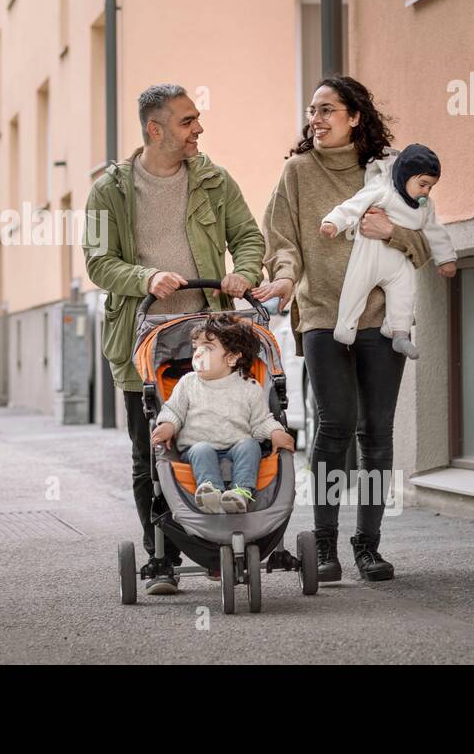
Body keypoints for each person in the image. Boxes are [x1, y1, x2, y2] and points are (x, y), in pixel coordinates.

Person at [253, 76, 445, 582]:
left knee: (376, 434)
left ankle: (369, 545)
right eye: (312, 111)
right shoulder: (297, 172)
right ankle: (324, 545)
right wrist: (286, 277)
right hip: (321, 315)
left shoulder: (391, 169)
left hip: (383, 322)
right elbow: (281, 239)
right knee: (334, 426)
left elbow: (426, 246)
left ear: (355, 116)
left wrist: (395, 232)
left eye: (327, 110)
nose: (315, 119)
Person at [83, 83, 265, 595]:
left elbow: (248, 237)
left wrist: (244, 272)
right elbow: (98, 261)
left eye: (197, 119)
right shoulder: (108, 191)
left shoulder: (214, 179)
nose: (198, 129)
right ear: (154, 129)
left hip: (211, 336)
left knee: (220, 437)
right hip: (143, 340)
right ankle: (160, 556)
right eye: (187, 121)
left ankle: (217, 546)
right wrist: (144, 278)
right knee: (152, 452)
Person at [320, 142, 457, 359]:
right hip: (371, 254)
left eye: (430, 187)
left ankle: (399, 334)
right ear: (405, 175)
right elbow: (354, 205)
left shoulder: (425, 206)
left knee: (406, 290)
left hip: (398, 261)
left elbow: (435, 232)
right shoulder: (383, 190)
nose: (426, 191)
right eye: (422, 184)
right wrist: (335, 222)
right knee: (356, 286)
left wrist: (446, 259)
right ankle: (345, 330)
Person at [149, 314, 296, 514]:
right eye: (196, 348)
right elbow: (173, 410)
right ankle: (211, 493)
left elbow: (261, 421)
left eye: (207, 348)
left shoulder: (249, 387)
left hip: (237, 445)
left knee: (250, 445)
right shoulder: (188, 383)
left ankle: (241, 493)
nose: (198, 354)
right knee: (202, 450)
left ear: (232, 357)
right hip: (196, 448)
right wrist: (167, 425)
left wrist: (274, 432)